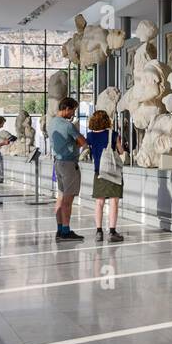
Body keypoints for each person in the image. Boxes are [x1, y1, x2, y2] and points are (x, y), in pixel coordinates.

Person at [48, 97, 87, 240]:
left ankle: (59, 229)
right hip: (69, 164)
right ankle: (66, 231)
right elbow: (83, 142)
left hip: (58, 163)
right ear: (66, 109)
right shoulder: (67, 125)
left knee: (60, 197)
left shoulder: (51, 123)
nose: (73, 114)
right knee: (68, 200)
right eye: (73, 110)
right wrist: (76, 141)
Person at [86, 109, 125, 242]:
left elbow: (87, 148)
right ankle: (112, 232)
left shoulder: (90, 136)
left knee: (99, 202)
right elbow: (121, 151)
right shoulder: (113, 134)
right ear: (106, 121)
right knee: (113, 201)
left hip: (99, 172)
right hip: (112, 171)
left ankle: (99, 232)